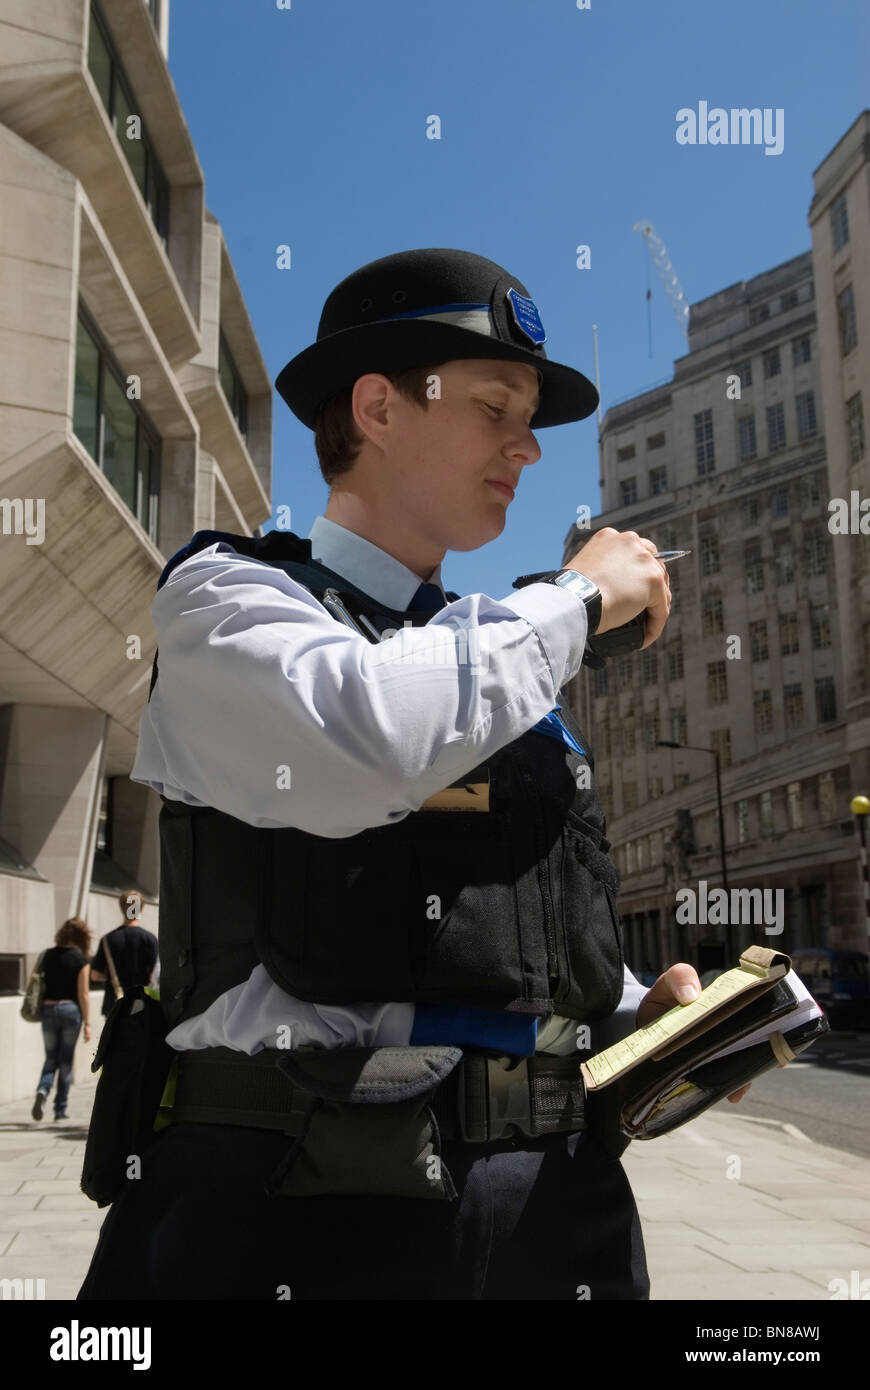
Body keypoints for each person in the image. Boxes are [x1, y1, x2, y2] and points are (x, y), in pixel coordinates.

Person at [77, 247, 750, 1301]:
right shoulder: (228, 601)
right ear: (379, 408)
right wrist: (574, 601)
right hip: (304, 1207)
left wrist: (634, 1011)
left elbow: (512, 919)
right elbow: (369, 738)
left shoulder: (491, 667)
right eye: (496, 407)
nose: (527, 448)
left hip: (553, 1209)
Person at [32, 918, 92, 1122]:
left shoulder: (46, 955)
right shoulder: (81, 960)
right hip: (71, 1011)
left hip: (48, 1010)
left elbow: (35, 982)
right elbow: (83, 994)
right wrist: (88, 1023)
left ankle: (43, 1089)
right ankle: (60, 1109)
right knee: (65, 1061)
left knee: (50, 1058)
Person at [89, 891, 158, 1015]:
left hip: (114, 1003)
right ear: (141, 909)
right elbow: (155, 975)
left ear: (121, 908)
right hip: (142, 1004)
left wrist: (112, 976)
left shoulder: (107, 939)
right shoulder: (151, 939)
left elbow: (95, 975)